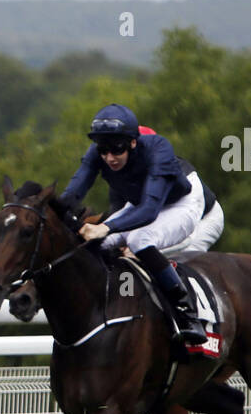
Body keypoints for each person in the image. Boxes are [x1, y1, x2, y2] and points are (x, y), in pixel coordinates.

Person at [57, 104, 225, 345]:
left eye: (116, 150)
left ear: (134, 143)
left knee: (139, 242)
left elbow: (148, 211)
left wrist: (107, 227)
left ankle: (189, 315)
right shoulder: (102, 155)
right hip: (147, 204)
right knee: (98, 245)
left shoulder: (159, 152)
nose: (109, 158)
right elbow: (72, 195)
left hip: (188, 207)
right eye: (104, 150)